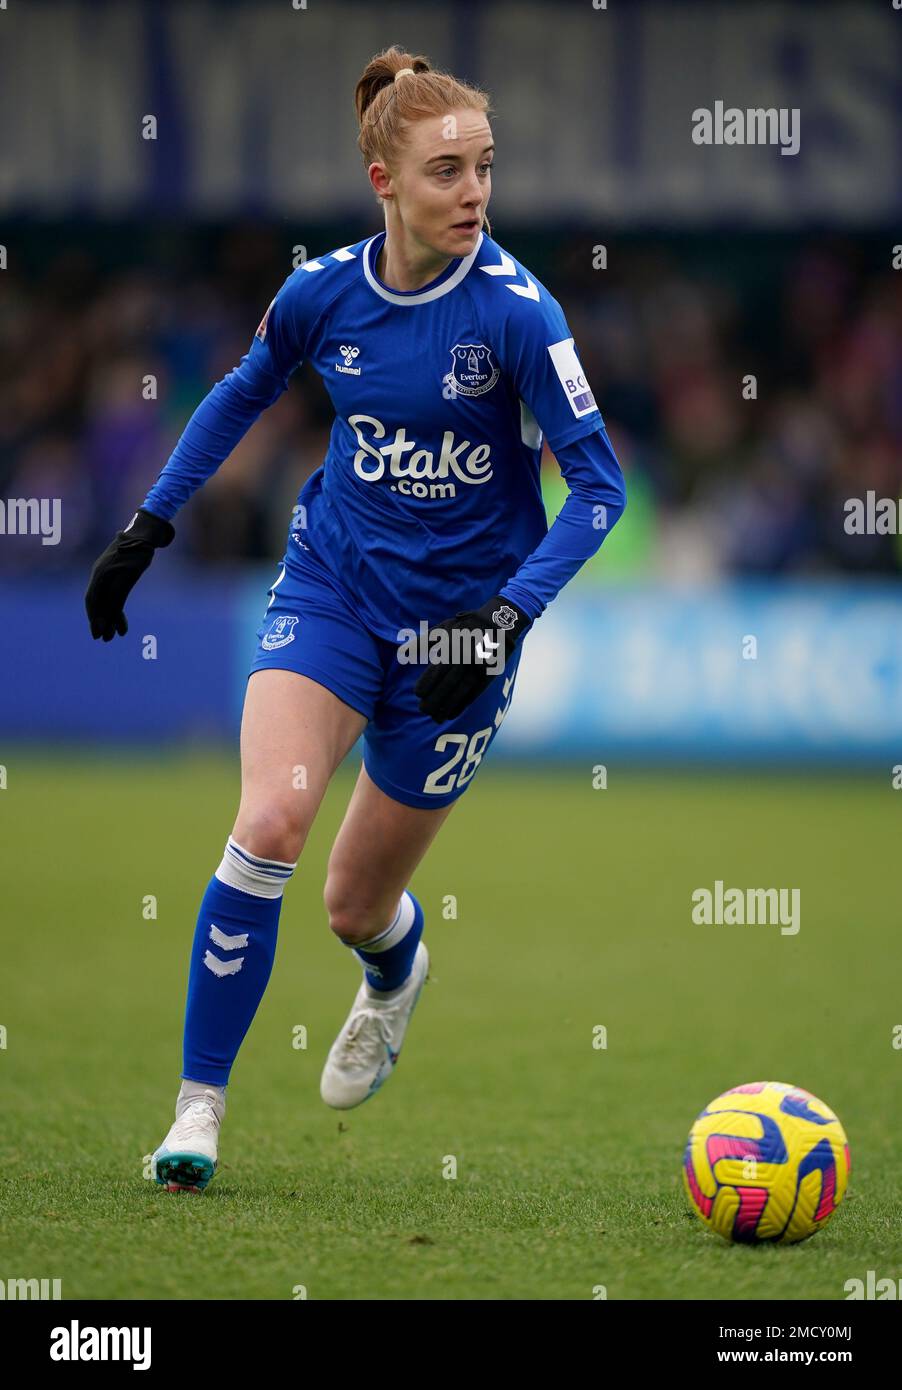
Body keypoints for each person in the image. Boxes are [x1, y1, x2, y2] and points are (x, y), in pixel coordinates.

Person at [84, 45, 626, 1193]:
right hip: (330, 593)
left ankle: (395, 971)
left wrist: (500, 620)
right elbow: (241, 390)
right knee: (272, 821)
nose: (473, 193)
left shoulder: (520, 315)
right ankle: (198, 1109)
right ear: (383, 180)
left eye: (484, 168)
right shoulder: (321, 293)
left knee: (350, 903)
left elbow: (599, 490)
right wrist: (149, 525)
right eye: (445, 172)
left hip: (458, 636)